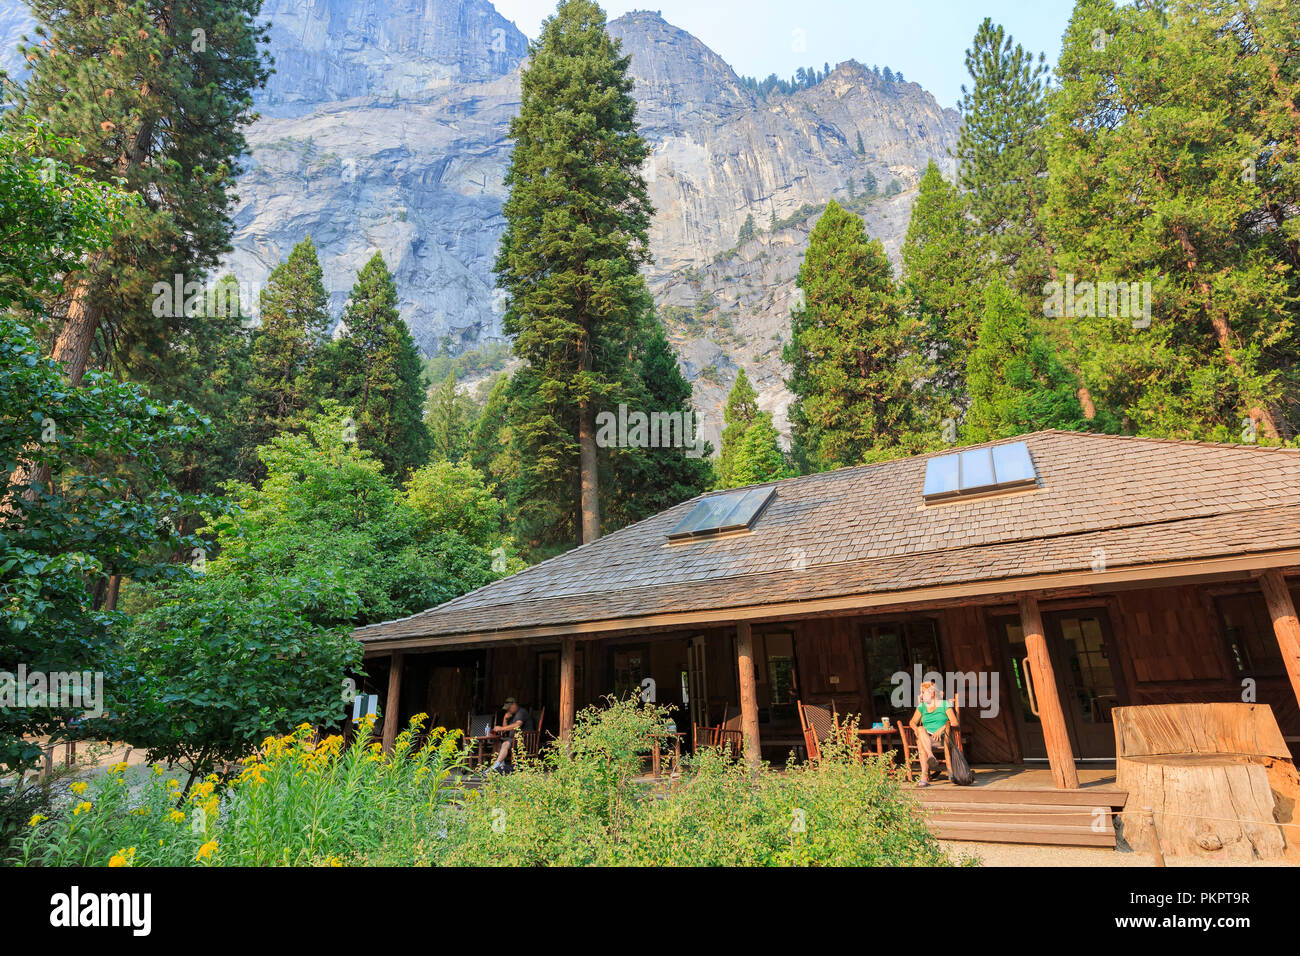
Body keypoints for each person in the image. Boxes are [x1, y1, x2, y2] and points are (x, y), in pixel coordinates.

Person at [908, 681, 958, 788]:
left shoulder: (945, 705)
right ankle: (931, 756)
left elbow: (954, 722)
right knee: (921, 729)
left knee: (921, 744)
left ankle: (924, 777)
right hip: (927, 738)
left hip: (942, 738)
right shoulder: (922, 707)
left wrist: (942, 728)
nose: (921, 696)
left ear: (932, 694)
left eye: (923, 693)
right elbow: (912, 722)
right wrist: (916, 729)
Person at [489, 697, 530, 772]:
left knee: (505, 744)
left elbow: (517, 725)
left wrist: (501, 728)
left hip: (523, 739)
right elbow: (505, 729)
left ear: (514, 705)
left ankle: (495, 766)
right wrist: (505, 718)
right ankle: (502, 766)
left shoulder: (521, 712)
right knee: (497, 741)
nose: (508, 710)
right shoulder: (513, 714)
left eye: (509, 708)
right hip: (513, 739)